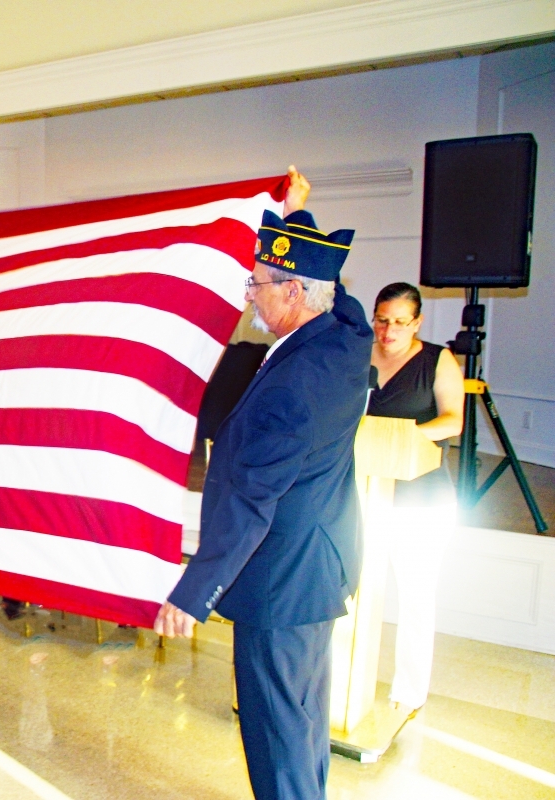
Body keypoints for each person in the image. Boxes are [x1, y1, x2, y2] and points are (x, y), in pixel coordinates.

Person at [154, 167, 373, 800]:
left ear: (297, 294)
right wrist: (293, 213)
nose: (250, 295)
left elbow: (252, 503)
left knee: (277, 741)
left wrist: (194, 592)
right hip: (315, 573)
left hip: (278, 584)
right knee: (301, 728)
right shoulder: (342, 339)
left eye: (259, 284)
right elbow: (337, 288)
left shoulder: (295, 388)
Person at [367, 282, 463, 716]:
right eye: (382, 320)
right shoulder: (360, 353)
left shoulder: (437, 359)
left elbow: (453, 421)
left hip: (421, 497)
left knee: (416, 594)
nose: (388, 332)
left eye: (400, 323)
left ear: (418, 322)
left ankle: (408, 692)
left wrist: (402, 437)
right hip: (367, 489)